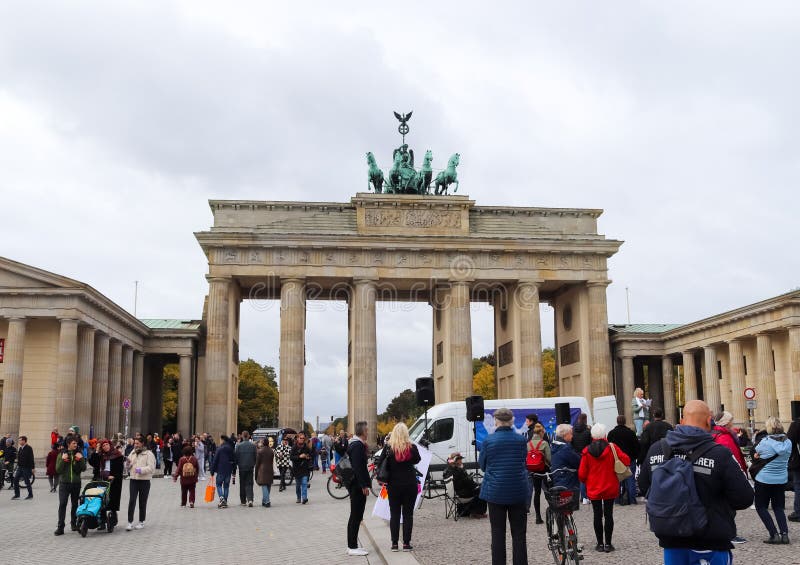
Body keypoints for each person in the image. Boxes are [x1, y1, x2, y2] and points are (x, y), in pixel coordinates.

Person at [638, 400, 755, 564]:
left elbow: (644, 487)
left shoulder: (657, 449)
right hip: (711, 540)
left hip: (672, 540)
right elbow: (745, 498)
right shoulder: (720, 454)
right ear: (709, 421)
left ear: (681, 421)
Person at [479, 407, 529, 565]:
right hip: (518, 490)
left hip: (495, 491)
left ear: (496, 421)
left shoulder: (488, 441)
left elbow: (482, 465)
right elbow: (523, 461)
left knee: (498, 533)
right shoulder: (521, 440)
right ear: (511, 421)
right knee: (519, 534)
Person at [578, 423, 629, 553]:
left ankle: (600, 544)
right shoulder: (613, 448)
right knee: (608, 515)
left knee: (597, 515)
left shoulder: (586, 451)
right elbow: (627, 460)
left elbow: (582, 474)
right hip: (610, 486)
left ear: (592, 435)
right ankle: (608, 544)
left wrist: (587, 481)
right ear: (605, 434)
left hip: (594, 488)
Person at [377, 422, 421, 553]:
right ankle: (406, 543)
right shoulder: (411, 447)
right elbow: (417, 460)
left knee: (394, 514)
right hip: (409, 484)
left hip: (394, 485)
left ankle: (395, 543)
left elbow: (380, 464)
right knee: (408, 514)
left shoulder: (388, 448)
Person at [753, 416, 792, 544]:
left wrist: (757, 455)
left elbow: (757, 453)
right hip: (781, 479)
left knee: (761, 507)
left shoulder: (765, 442)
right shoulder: (788, 442)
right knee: (779, 507)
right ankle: (784, 534)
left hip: (764, 479)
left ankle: (774, 534)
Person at [345, 421, 372, 556]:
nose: (368, 432)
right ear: (362, 431)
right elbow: (358, 468)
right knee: (356, 515)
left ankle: (353, 544)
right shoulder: (357, 446)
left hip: (356, 484)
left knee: (356, 515)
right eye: (367, 430)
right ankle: (352, 546)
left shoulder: (356, 444)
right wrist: (363, 485)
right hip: (357, 485)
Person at [54, 437, 87, 535]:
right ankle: (60, 527)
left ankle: (74, 524)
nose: (75, 445)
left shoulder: (79, 454)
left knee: (75, 505)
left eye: (76, 443)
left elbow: (84, 468)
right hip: (64, 483)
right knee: (63, 504)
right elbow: (58, 470)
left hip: (76, 483)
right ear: (68, 444)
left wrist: (80, 459)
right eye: (73, 443)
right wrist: (63, 460)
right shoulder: (62, 454)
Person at [607, 415, 640, 505]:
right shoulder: (631, 433)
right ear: (625, 422)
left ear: (617, 422)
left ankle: (616, 500)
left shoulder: (611, 433)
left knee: (617, 480)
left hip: (616, 460)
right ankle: (632, 500)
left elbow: (609, 448)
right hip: (630, 459)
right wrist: (635, 457)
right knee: (630, 479)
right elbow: (637, 447)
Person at [443, 451, 487, 518]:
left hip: (455, 494)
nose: (461, 461)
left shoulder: (447, 470)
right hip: (462, 495)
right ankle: (478, 512)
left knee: (474, 488)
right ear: (456, 460)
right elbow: (469, 483)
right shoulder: (459, 470)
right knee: (482, 489)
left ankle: (463, 512)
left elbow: (464, 482)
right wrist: (477, 485)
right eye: (460, 459)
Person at [126, 436, 155, 531]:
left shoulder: (148, 454)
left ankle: (141, 521)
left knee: (142, 502)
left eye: (137, 443)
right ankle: (130, 522)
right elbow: (128, 465)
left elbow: (151, 468)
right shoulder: (132, 452)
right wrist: (127, 465)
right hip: (133, 480)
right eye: (135, 443)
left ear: (142, 443)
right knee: (132, 501)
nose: (135, 445)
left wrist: (141, 470)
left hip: (144, 481)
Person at [527, 422, 551, 523]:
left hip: (533, 471)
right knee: (548, 491)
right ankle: (552, 511)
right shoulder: (544, 443)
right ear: (541, 433)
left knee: (537, 493)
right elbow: (549, 458)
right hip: (544, 470)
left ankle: (538, 517)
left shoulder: (528, 444)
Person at [97, 438, 123, 529]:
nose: (105, 447)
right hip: (103, 480)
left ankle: (113, 518)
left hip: (114, 480)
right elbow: (92, 462)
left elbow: (120, 469)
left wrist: (113, 476)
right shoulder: (101, 455)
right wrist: (96, 451)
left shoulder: (117, 454)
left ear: (110, 445)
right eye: (103, 446)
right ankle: (102, 522)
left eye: (106, 444)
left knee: (112, 501)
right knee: (101, 500)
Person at [549, 424, 581, 492]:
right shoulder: (565, 449)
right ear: (565, 435)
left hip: (558, 479)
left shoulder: (554, 446)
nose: (572, 436)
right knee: (571, 502)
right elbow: (578, 462)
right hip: (568, 482)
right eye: (571, 434)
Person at [210, 435, 236, 508]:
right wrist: (234, 471)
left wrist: (212, 471)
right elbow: (234, 460)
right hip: (228, 470)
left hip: (221, 470)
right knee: (226, 486)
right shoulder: (231, 449)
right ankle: (225, 501)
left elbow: (215, 460)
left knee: (218, 484)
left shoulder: (220, 449)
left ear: (222, 440)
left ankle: (221, 499)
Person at [571, 413, 592, 504]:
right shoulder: (588, 431)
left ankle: (576, 497)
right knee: (584, 477)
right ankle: (584, 497)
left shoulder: (573, 430)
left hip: (575, 455)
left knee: (576, 477)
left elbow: (571, 443)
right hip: (585, 456)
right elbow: (590, 445)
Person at [235, 430, 257, 507]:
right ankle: (250, 499)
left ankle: (243, 501)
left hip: (242, 467)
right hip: (250, 467)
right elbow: (255, 457)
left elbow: (236, 457)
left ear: (242, 436)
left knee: (242, 484)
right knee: (250, 483)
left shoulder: (238, 446)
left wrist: (238, 465)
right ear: (248, 436)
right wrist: (253, 464)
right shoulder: (253, 446)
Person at [290, 432, 313, 504]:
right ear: (297, 439)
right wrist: (299, 456)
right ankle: (298, 497)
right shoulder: (294, 448)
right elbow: (291, 457)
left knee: (304, 484)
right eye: (301, 438)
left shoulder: (306, 447)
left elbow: (310, 456)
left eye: (303, 438)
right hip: (297, 469)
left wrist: (307, 457)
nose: (302, 440)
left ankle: (304, 498)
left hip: (305, 469)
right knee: (298, 486)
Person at [12, 435, 34, 500]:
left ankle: (30, 495)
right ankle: (17, 494)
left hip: (26, 467)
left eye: (20, 440)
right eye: (19, 440)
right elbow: (19, 458)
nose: (19, 442)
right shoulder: (20, 448)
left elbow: (31, 458)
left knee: (27, 481)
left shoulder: (29, 448)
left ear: (24, 441)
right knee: (15, 480)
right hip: (20, 467)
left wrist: (32, 468)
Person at [254, 438, 274, 508]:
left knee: (264, 485)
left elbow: (257, 463)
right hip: (270, 469)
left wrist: (256, 474)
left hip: (262, 470)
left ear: (263, 443)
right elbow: (271, 461)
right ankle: (264, 500)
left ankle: (267, 501)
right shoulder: (271, 451)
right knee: (268, 485)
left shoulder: (260, 451)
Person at [788, 415, 800, 522]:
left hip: (798, 461)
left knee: (798, 485)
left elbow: (789, 443)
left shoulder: (796, 424)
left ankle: (798, 512)